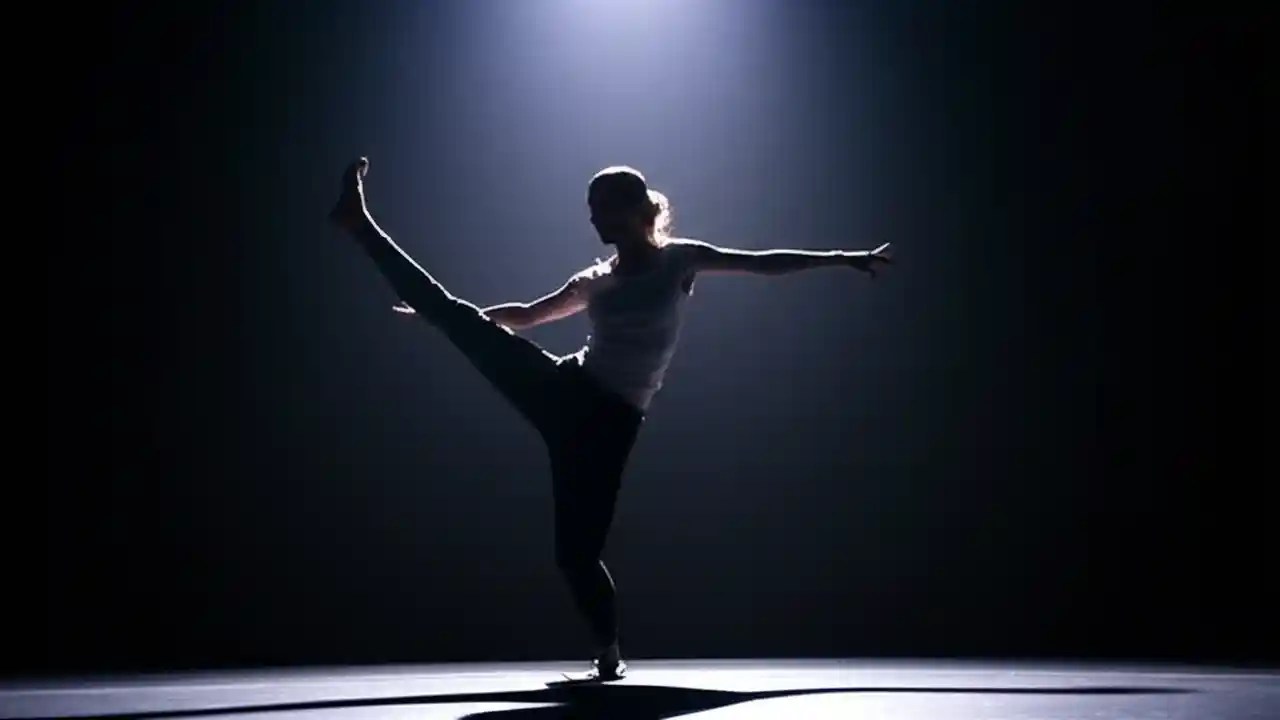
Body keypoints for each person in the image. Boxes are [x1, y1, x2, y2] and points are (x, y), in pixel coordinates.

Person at [327, 157, 891, 681]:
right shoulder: (593, 279)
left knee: (575, 555)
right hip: (564, 389)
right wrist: (448, 322)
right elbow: (526, 316)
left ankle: (609, 653)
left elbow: (761, 265)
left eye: (600, 205)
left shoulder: (679, 260)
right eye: (590, 205)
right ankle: (361, 226)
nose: (591, 216)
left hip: (609, 424)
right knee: (456, 316)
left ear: (634, 209)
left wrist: (841, 259)